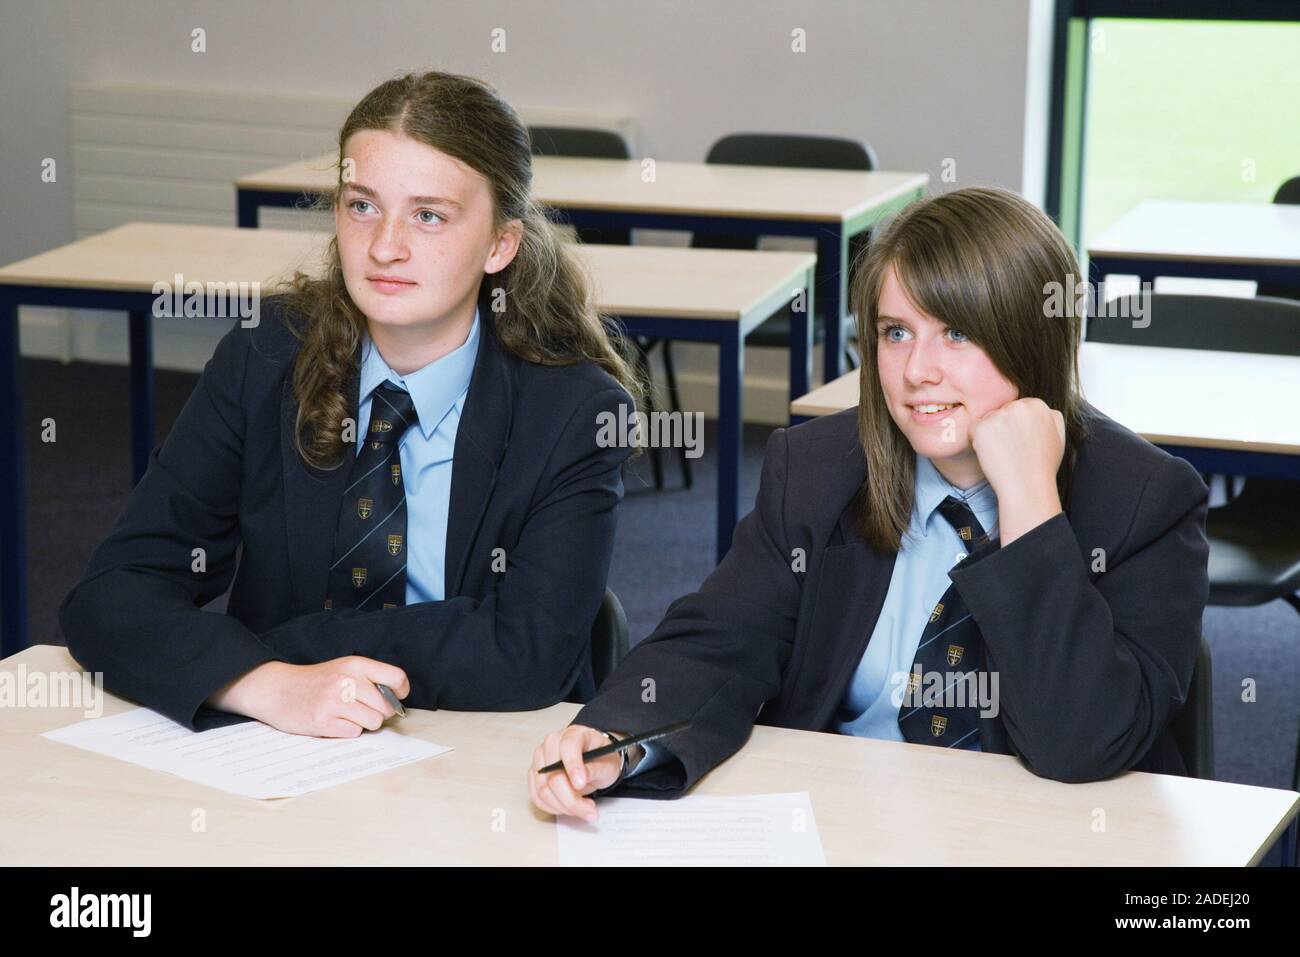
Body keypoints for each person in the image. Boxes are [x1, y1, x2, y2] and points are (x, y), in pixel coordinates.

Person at [528, 186, 1210, 823]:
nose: (917, 371)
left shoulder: (1143, 499)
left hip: (1037, 833)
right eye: (896, 332)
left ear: (1033, 341)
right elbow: (719, 642)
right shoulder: (820, 468)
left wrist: (1031, 504)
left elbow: (1081, 740)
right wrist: (619, 737)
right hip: (845, 822)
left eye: (959, 334)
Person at [61, 70, 642, 737]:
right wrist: (268, 684)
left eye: (428, 215)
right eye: (362, 205)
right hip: (282, 744)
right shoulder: (266, 356)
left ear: (500, 244)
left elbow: (526, 652)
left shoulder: (573, 412)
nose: (385, 246)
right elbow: (113, 592)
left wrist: (284, 647)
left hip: (482, 748)